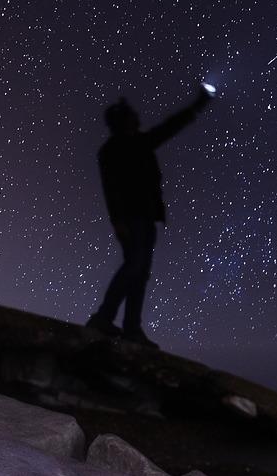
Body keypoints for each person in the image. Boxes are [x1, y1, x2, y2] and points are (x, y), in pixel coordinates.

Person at [87, 86, 212, 348]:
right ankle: (104, 318)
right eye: (132, 114)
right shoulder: (112, 150)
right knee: (134, 266)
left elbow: (170, 127)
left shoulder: (139, 144)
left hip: (146, 218)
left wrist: (197, 106)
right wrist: (117, 221)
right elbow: (111, 188)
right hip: (131, 219)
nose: (137, 116)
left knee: (141, 272)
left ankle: (131, 328)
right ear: (123, 120)